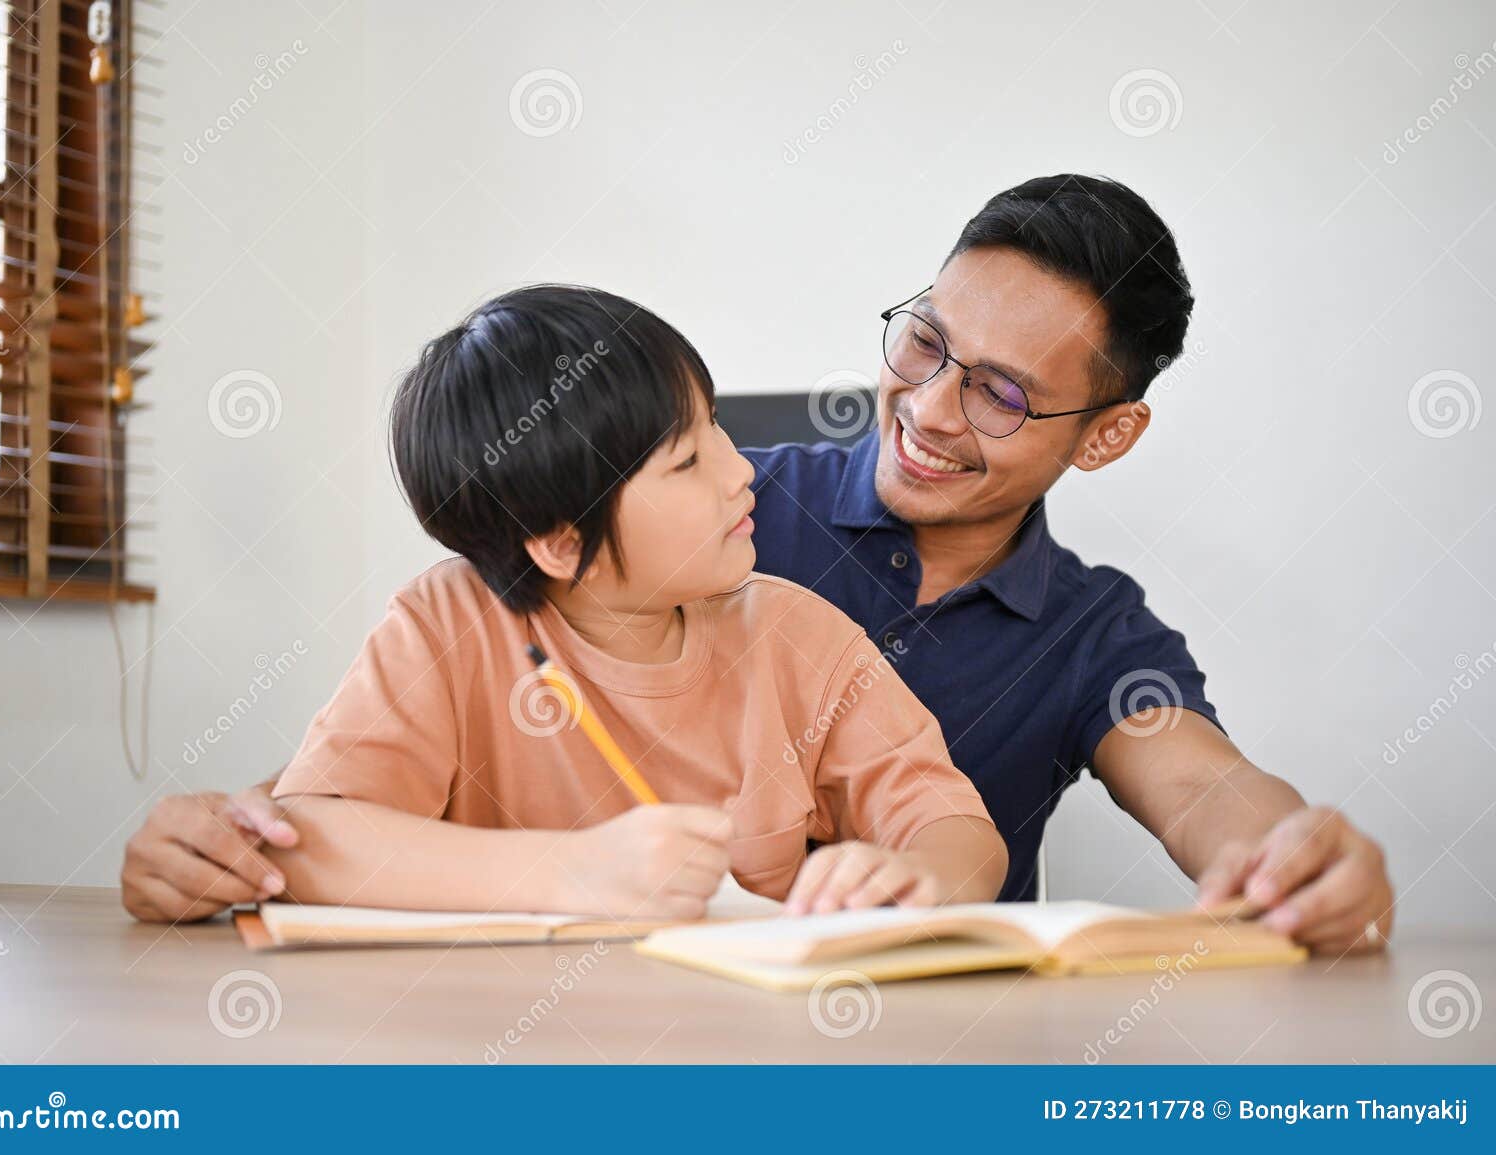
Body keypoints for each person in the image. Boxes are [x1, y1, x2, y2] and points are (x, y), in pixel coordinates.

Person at [122, 175, 1392, 955]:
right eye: (923, 344)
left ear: (1104, 435)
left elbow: (1203, 787)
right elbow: (374, 770)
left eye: (1000, 394)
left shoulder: (1084, 632)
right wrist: (232, 833)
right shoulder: (713, 514)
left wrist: (1297, 858)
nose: (926, 409)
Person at [178, 284, 1007, 919]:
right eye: (687, 461)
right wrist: (576, 872)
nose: (739, 470)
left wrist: (919, 875)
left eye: (715, 426)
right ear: (561, 542)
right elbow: (310, 838)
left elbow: (962, 834)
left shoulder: (798, 634)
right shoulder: (449, 622)